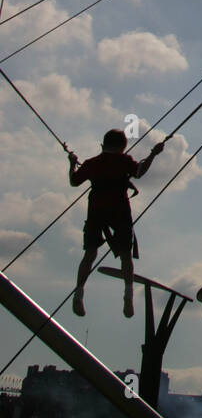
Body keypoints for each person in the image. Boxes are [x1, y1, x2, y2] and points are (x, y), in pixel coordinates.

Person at [67, 128, 164, 318]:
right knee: (126, 255)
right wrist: (153, 154)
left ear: (103, 145)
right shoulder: (124, 161)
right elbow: (139, 172)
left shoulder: (91, 163)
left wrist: (71, 164)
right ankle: (128, 295)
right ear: (123, 147)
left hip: (96, 210)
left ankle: (79, 294)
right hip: (119, 210)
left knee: (90, 254)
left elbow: (74, 181)